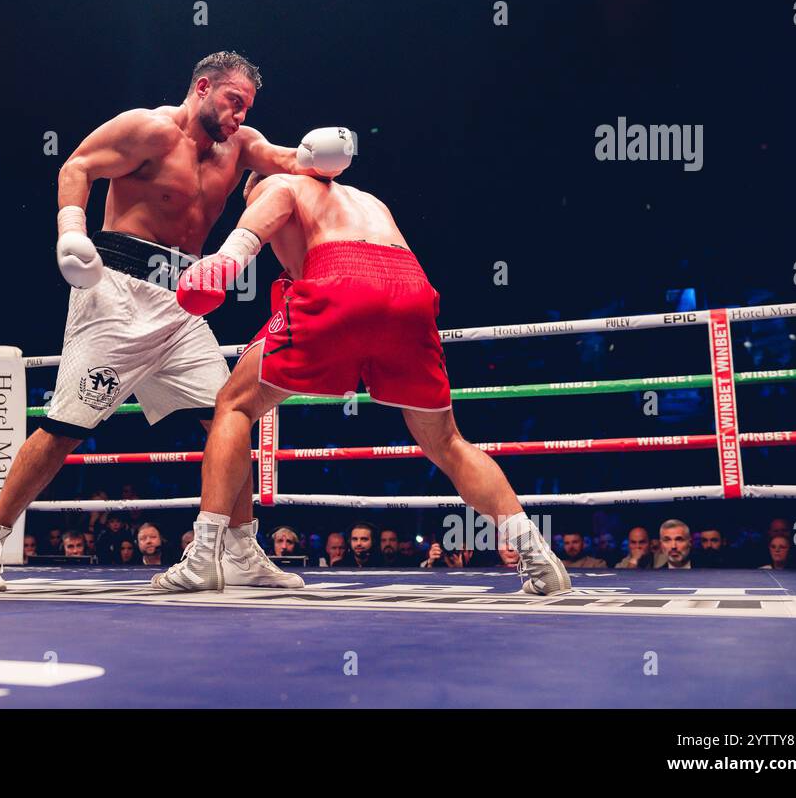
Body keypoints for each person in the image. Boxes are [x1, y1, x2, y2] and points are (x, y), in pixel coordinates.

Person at [0, 52, 352, 591]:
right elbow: (77, 166)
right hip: (116, 294)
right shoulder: (148, 128)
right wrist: (70, 232)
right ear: (202, 87)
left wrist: (321, 154)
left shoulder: (240, 145)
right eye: (233, 102)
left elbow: (286, 159)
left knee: (231, 417)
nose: (239, 116)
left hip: (184, 302)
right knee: (64, 429)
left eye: (246, 108)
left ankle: (241, 549)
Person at [151, 166, 568, 594]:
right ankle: (537, 555)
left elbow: (242, 246)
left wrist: (219, 266)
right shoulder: (367, 200)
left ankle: (205, 557)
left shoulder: (278, 184)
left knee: (234, 404)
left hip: (339, 280)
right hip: (410, 288)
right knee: (447, 442)